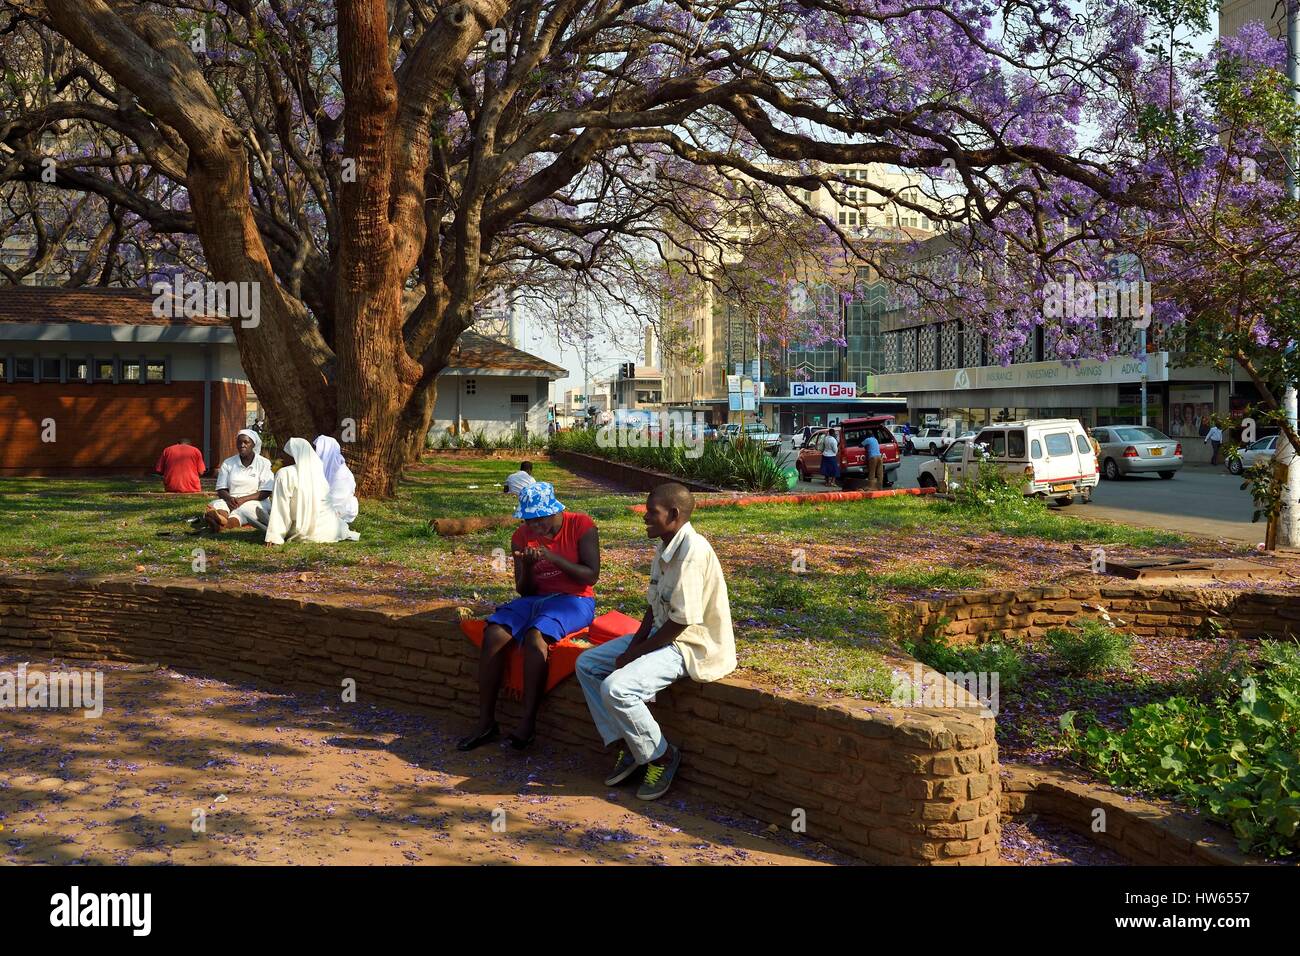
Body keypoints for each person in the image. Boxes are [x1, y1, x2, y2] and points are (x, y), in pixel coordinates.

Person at [576, 483, 735, 802]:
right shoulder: (665, 546)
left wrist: (635, 654)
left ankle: (661, 756)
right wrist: (632, 646)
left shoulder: (692, 551)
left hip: (690, 645)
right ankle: (631, 747)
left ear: (674, 515)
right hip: (662, 636)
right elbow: (653, 608)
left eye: (652, 512)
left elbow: (681, 622)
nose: (645, 517)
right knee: (587, 664)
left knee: (618, 688)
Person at [457, 482, 599, 752]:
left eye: (540, 520)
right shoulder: (520, 536)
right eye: (529, 521)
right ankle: (486, 722)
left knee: (536, 638)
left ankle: (528, 722)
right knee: (495, 633)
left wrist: (553, 558)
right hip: (536, 599)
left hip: (576, 600)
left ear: (554, 511)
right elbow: (524, 590)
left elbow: (591, 575)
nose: (535, 527)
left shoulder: (581, 525)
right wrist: (527, 567)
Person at [261, 437, 360, 546]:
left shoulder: (285, 473)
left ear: (295, 455)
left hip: (306, 533)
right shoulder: (317, 471)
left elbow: (280, 508)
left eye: (286, 453)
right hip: (330, 530)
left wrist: (274, 536)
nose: (282, 458)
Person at [204, 429, 273, 531]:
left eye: (246, 442)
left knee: (245, 510)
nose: (242, 445)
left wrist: (242, 500)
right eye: (239, 442)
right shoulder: (228, 463)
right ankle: (220, 518)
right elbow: (221, 488)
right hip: (232, 499)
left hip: (255, 501)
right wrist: (229, 499)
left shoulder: (264, 463)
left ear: (253, 444)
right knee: (219, 504)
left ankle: (223, 525)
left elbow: (266, 491)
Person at [313, 435, 360, 523]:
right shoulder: (326, 467)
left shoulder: (341, 473)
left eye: (317, 449)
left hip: (337, 508)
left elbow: (336, 499)